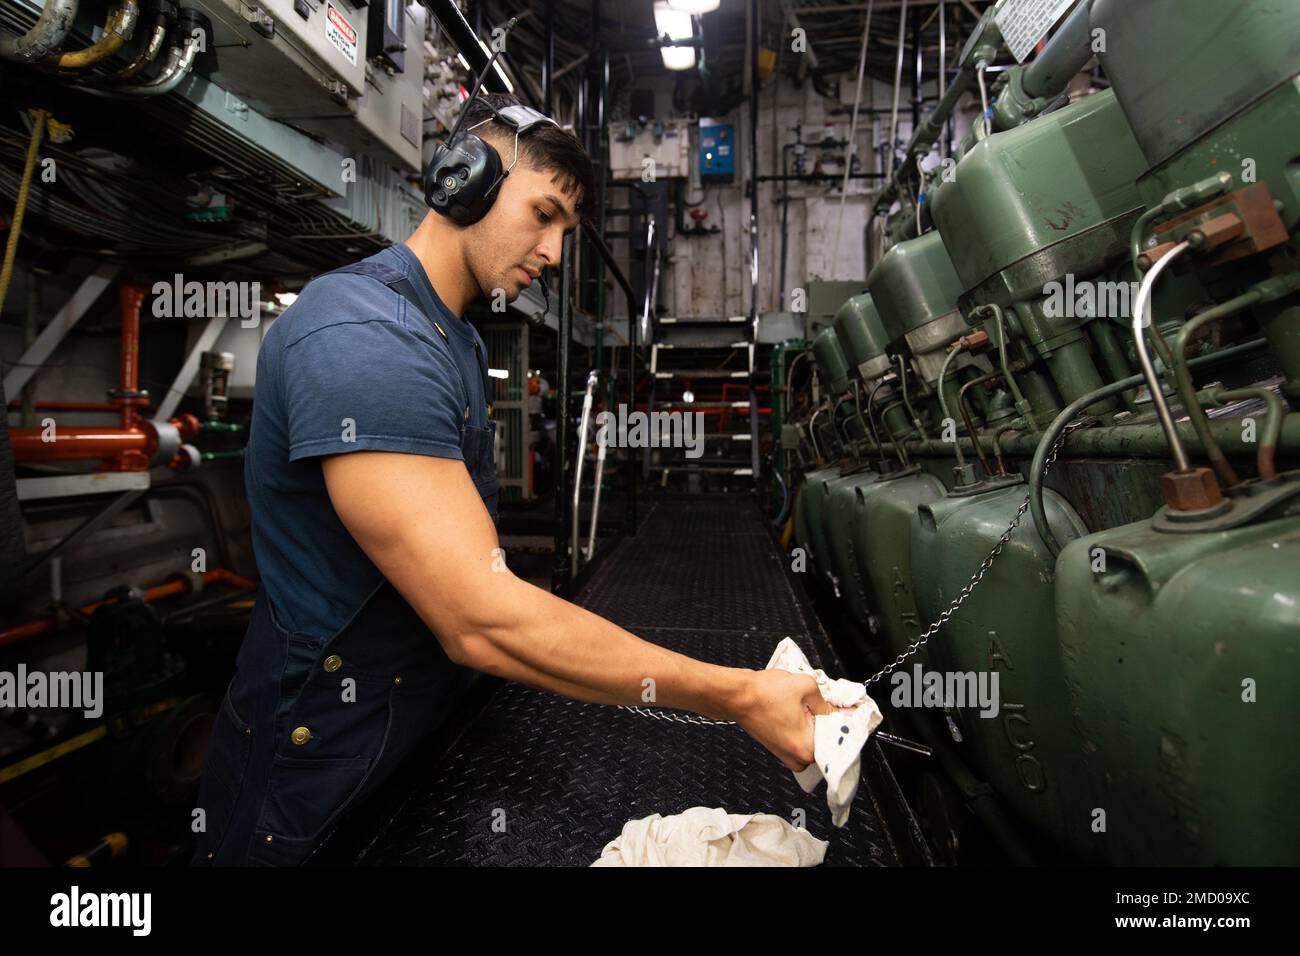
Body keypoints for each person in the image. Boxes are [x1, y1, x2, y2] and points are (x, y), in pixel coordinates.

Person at [192, 93, 826, 866]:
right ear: (464, 181)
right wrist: (737, 695)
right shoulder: (363, 333)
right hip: (321, 753)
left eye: (569, 231)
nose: (556, 254)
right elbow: (479, 618)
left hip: (414, 719)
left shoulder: (451, 334)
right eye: (545, 213)